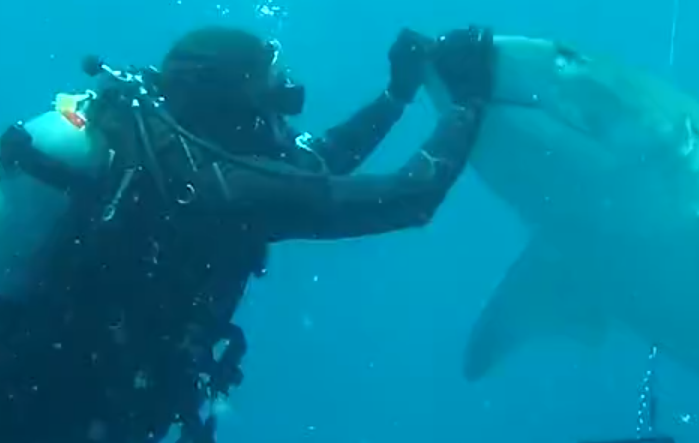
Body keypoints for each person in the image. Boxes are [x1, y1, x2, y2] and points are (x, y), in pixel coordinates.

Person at [0, 24, 494, 443]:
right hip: (60, 413)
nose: (287, 103)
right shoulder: (214, 191)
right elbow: (411, 197)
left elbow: (316, 164)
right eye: (273, 89)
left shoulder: (162, 146)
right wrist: (470, 100)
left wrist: (397, 96)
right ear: (233, 103)